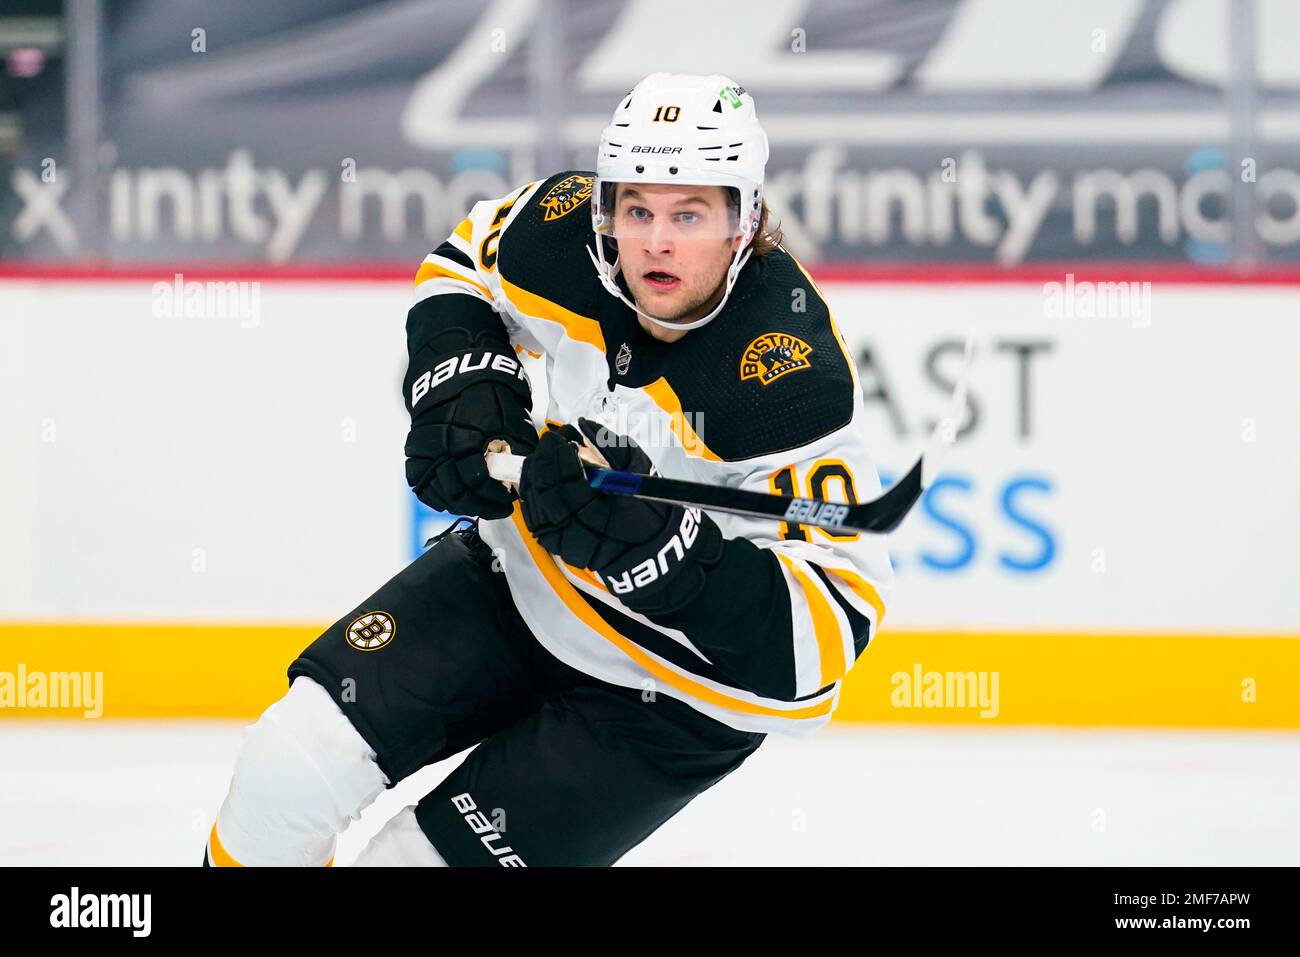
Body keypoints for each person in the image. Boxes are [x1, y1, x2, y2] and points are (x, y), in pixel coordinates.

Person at [205, 72, 893, 868]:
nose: (656, 242)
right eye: (636, 209)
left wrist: (663, 560)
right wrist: (467, 388)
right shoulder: (560, 233)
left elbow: (831, 632)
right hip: (521, 578)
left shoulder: (786, 378)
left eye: (690, 214)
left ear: (745, 221)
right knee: (285, 772)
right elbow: (464, 262)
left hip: (670, 701)